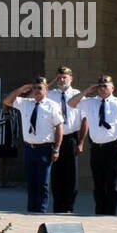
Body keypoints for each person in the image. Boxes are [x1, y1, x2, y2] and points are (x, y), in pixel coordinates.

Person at [70, 75, 117, 215]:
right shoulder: (90, 102)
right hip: (97, 148)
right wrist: (86, 91)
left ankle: (110, 212)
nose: (102, 89)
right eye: (100, 86)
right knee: (98, 182)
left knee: (112, 183)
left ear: (112, 88)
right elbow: (71, 104)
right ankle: (100, 211)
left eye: (105, 86)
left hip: (113, 147)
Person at [4, 76, 64, 213]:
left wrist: (57, 148)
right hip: (29, 148)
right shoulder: (26, 103)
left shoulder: (52, 106)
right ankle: (31, 210)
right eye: (35, 88)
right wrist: (20, 90)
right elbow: (7, 101)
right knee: (31, 182)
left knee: (43, 183)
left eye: (40, 88)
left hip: (45, 149)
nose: (37, 90)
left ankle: (41, 211)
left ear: (46, 90)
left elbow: (59, 127)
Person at [47, 66, 82, 213]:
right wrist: (51, 82)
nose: (62, 80)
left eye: (65, 77)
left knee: (71, 174)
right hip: (54, 139)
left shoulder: (77, 95)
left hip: (71, 138)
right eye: (59, 77)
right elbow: (34, 95)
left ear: (71, 78)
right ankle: (58, 206)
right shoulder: (50, 94)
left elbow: (84, 119)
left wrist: (81, 142)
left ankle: (68, 207)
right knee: (56, 174)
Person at [0, 102, 19, 186]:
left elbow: (17, 126)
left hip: (10, 141)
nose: (7, 104)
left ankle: (7, 181)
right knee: (0, 161)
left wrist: (16, 138)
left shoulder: (14, 113)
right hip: (1, 141)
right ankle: (1, 181)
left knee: (9, 161)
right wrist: (4, 119)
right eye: (5, 103)